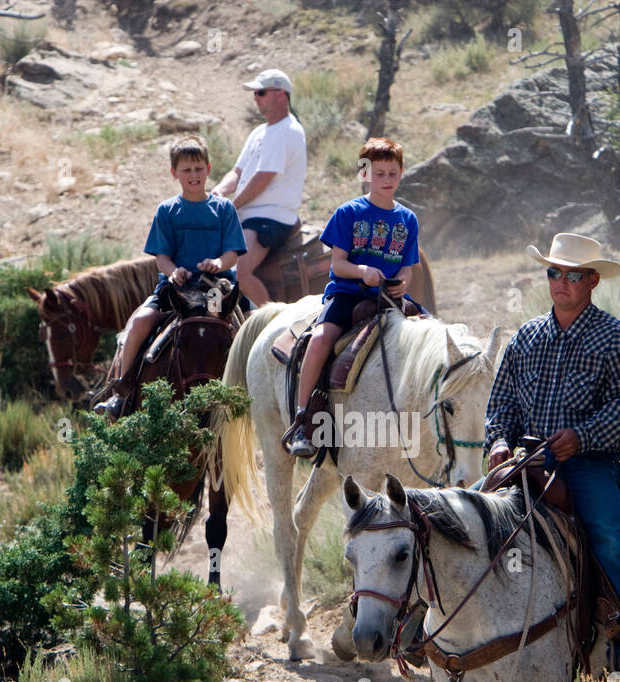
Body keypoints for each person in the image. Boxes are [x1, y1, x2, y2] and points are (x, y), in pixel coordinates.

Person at [483, 232, 620, 675]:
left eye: (572, 275)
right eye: (554, 273)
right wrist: (499, 440)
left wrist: (582, 437)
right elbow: (502, 402)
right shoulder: (525, 339)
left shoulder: (616, 340)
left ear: (593, 281)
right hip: (527, 458)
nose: (560, 282)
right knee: (468, 518)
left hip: (587, 462)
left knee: (607, 536)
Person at [286, 137, 419, 458]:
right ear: (365, 174)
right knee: (321, 339)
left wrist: (402, 282)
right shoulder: (349, 213)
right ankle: (303, 419)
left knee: (428, 334)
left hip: (388, 299)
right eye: (379, 173)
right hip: (348, 294)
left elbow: (407, 267)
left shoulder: (408, 219)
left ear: (401, 174)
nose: (386, 179)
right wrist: (363, 272)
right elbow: (338, 264)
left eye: (392, 173)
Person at [95, 135, 246, 418]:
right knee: (140, 321)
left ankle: (251, 396)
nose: (193, 175)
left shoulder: (224, 208)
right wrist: (174, 271)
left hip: (216, 290)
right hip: (177, 291)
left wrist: (217, 262)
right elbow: (161, 256)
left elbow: (233, 254)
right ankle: (121, 390)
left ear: (208, 169)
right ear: (174, 173)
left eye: (198, 168)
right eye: (186, 170)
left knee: (249, 327)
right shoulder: (167, 210)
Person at [210, 68, 307, 307]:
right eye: (255, 93)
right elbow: (237, 172)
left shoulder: (289, 130)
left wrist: (232, 206)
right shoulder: (259, 132)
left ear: (281, 94)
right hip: (249, 216)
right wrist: (219, 191)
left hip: (272, 217)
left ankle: (270, 322)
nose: (255, 98)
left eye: (261, 92)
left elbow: (263, 178)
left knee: (241, 271)